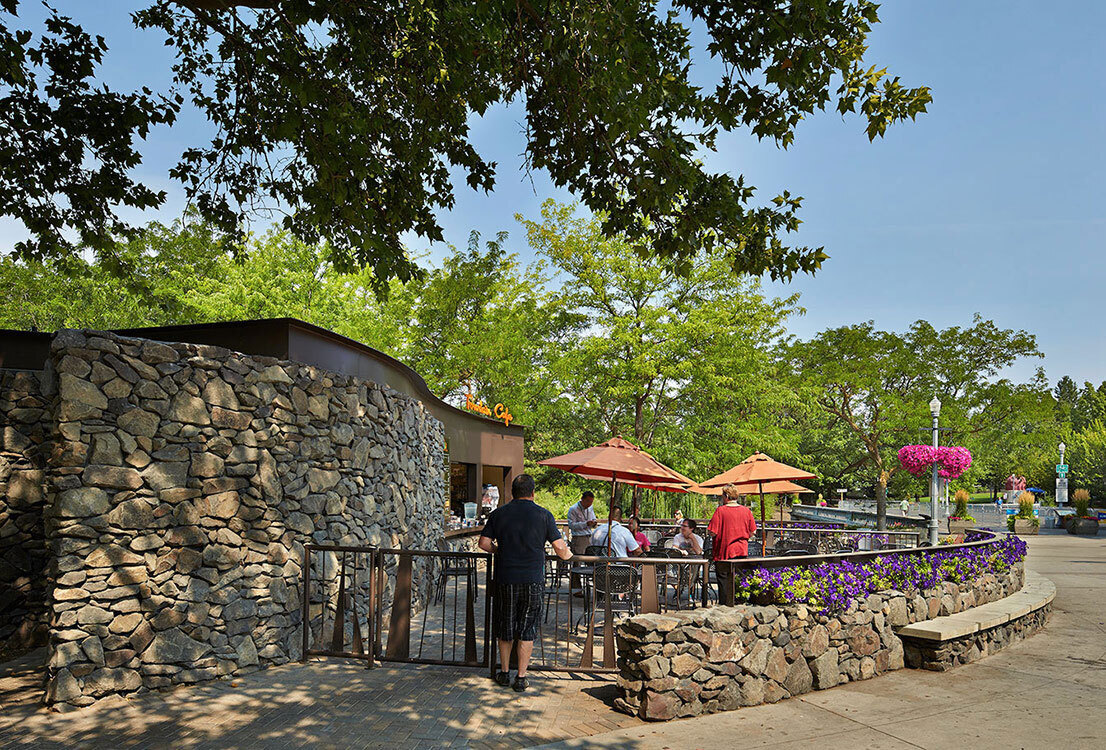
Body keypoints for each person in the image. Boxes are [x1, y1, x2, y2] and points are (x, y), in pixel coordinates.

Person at [479, 474, 572, 693]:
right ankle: (521, 677)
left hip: (506, 577)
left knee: (506, 626)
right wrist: (568, 556)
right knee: (527, 628)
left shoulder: (499, 514)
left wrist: (498, 550)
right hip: (533, 579)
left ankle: (503, 673)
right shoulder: (544, 515)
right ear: (532, 493)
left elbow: (483, 543)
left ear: (513, 492)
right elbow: (559, 548)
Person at [707, 484, 758, 604]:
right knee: (739, 580)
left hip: (724, 552)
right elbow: (753, 531)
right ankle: (739, 604)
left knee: (724, 581)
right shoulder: (746, 511)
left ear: (726, 496)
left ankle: (725, 606)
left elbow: (712, 532)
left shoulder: (721, 510)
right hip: (741, 551)